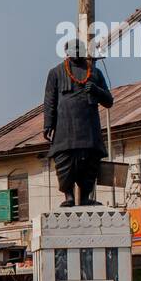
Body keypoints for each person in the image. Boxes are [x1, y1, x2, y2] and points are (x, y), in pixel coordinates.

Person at [43, 39, 114, 207]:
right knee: (65, 161)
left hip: (89, 127)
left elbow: (109, 101)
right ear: (66, 52)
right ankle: (68, 196)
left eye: (79, 49)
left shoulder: (95, 73)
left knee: (89, 161)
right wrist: (48, 123)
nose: (76, 52)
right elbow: (49, 100)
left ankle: (84, 197)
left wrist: (96, 90)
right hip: (64, 127)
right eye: (73, 50)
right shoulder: (56, 73)